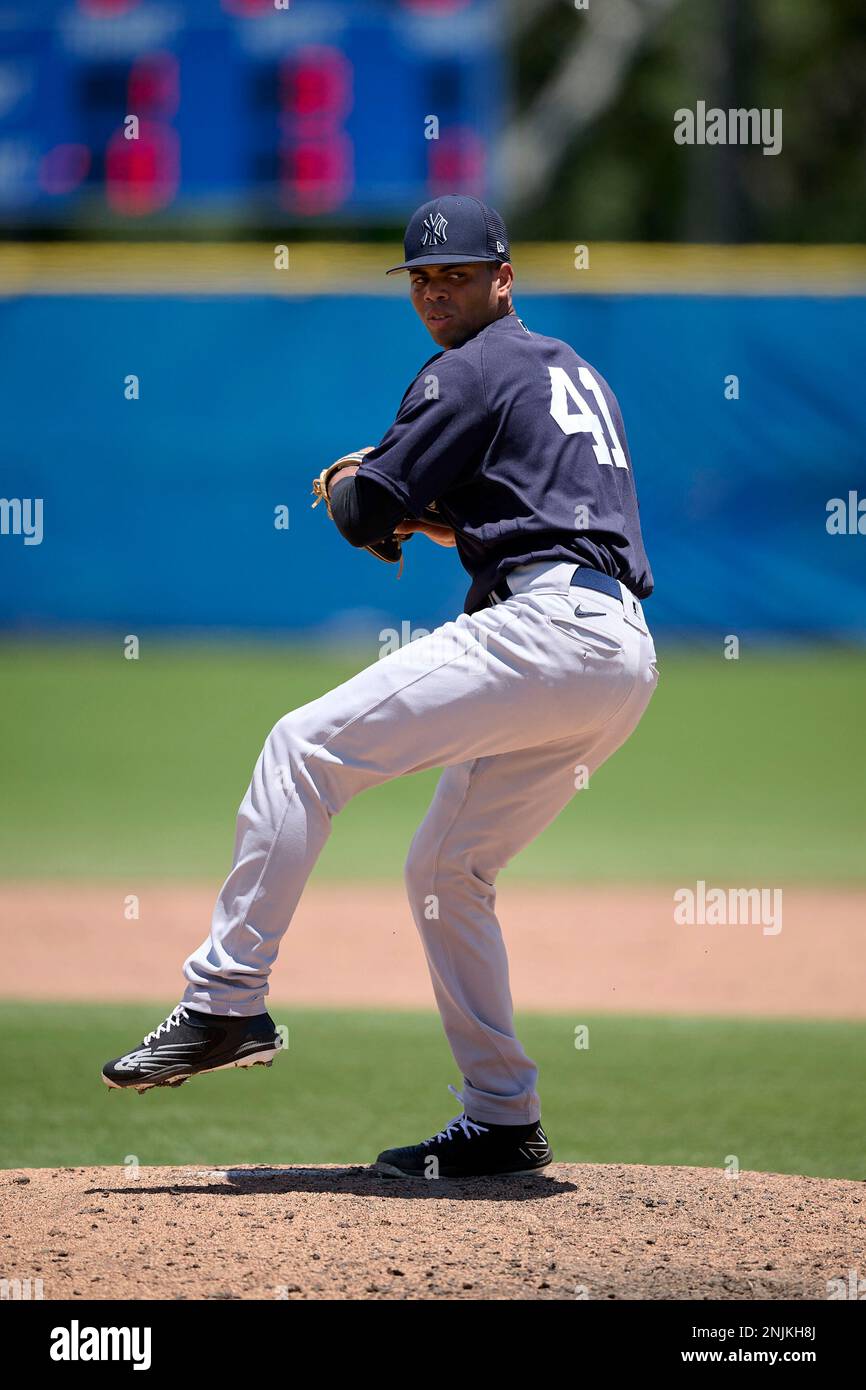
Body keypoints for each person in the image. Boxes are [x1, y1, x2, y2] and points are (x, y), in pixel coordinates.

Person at [102, 194, 658, 1181]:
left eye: (455, 275)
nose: (436, 294)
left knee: (299, 746)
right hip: (617, 652)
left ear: (504, 276)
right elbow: (535, 509)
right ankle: (499, 1117)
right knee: (445, 875)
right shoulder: (571, 369)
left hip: (541, 634)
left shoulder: (467, 367)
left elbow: (364, 508)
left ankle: (226, 1000)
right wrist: (441, 515)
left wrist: (378, 498)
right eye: (422, 280)